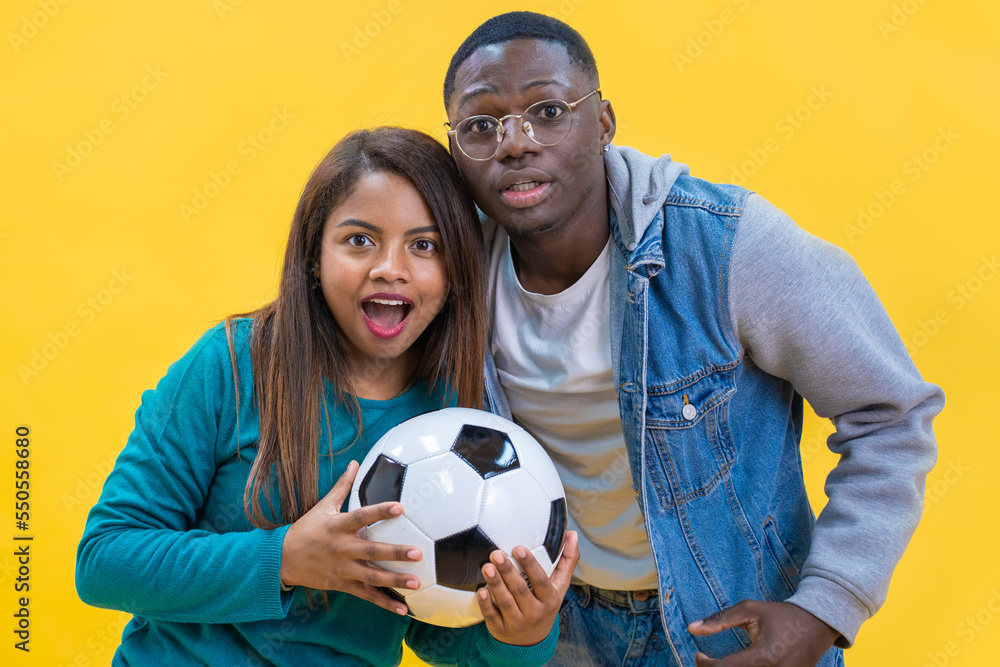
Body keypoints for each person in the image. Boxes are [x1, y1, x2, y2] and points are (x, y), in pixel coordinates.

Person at [440, 12, 944, 667]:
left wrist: (824, 610)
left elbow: (891, 414)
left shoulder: (725, 247)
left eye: (549, 109)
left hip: (727, 632)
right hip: (558, 636)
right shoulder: (447, 272)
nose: (515, 142)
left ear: (604, 123)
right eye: (482, 125)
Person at [75, 126, 579, 666]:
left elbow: (432, 627)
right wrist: (285, 560)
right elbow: (105, 560)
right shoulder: (234, 365)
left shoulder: (457, 421)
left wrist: (522, 635)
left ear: (456, 270)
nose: (390, 268)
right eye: (360, 240)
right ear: (314, 256)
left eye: (424, 245)